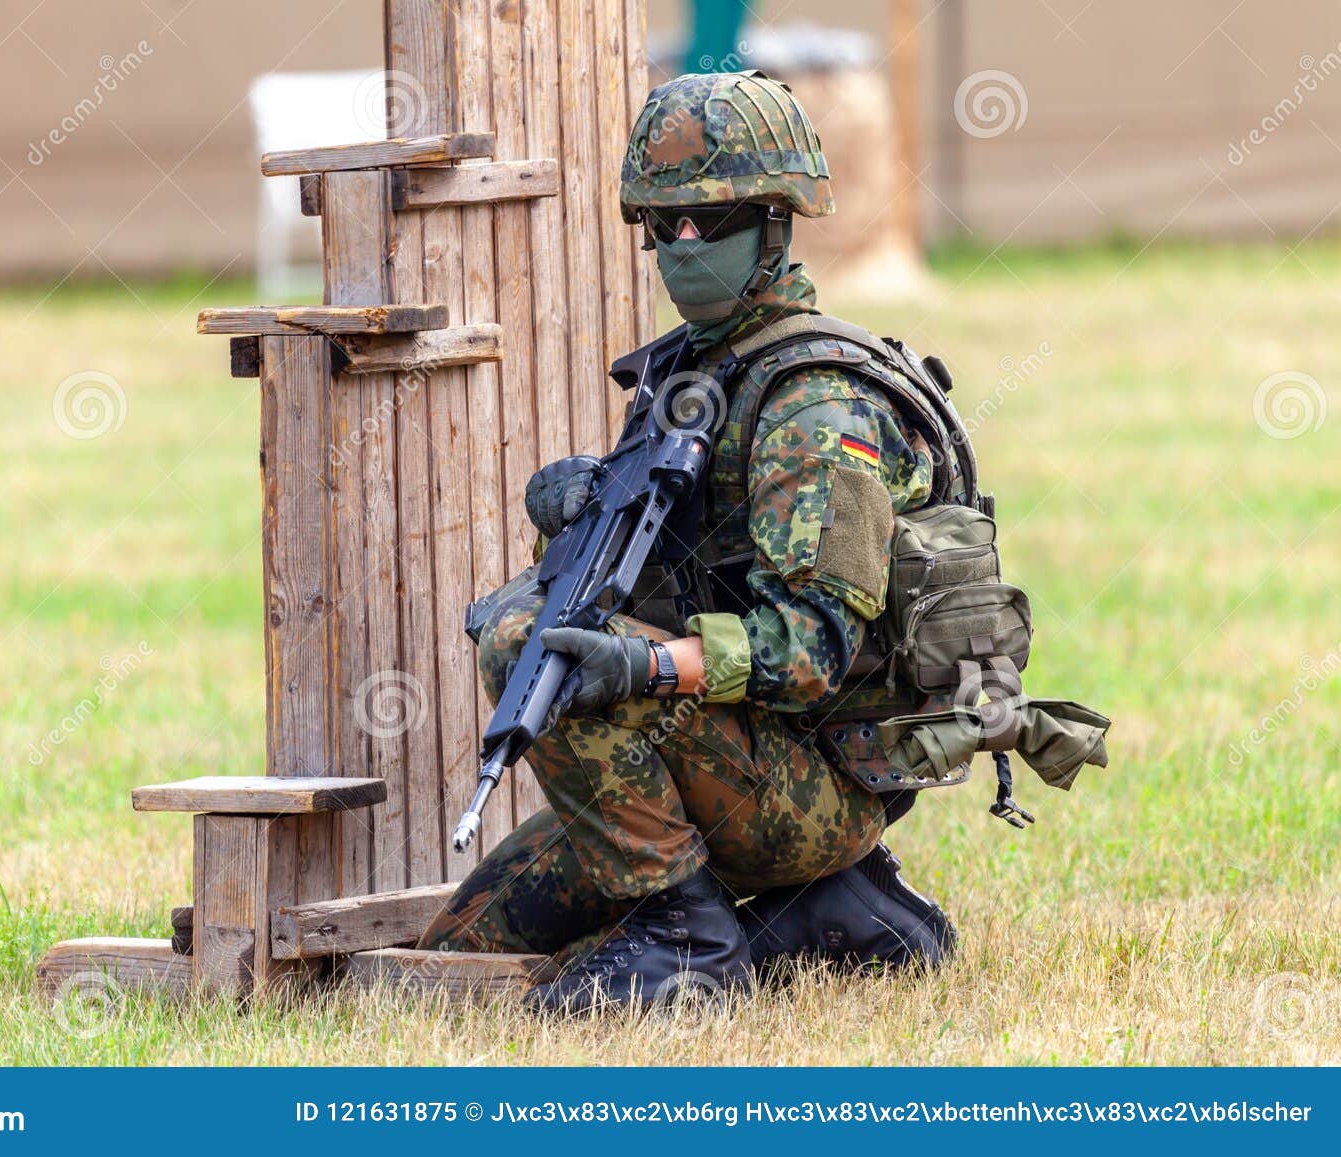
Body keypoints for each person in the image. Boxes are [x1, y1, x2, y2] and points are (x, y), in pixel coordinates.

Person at [418, 71, 1104, 1012]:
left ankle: (688, 940)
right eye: (661, 227)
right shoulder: (703, 370)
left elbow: (810, 651)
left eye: (712, 220)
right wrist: (580, 502)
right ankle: (833, 906)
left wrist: (644, 669)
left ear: (777, 222)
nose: (681, 246)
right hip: (742, 754)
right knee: (467, 939)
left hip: (814, 774)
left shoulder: (814, 409)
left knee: (524, 646)